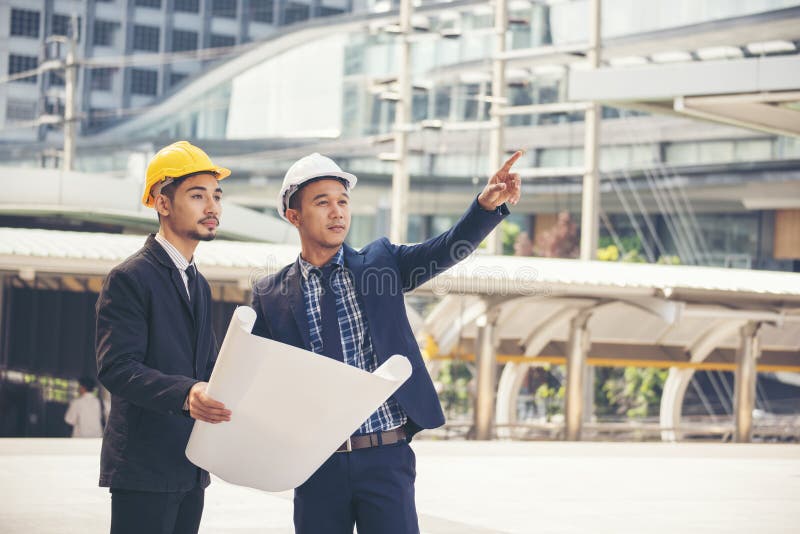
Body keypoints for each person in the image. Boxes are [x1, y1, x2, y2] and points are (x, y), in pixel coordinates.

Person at [251, 150, 522, 534]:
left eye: (342, 202)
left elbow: (446, 248)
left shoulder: (381, 263)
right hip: (315, 464)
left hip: (385, 456)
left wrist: (484, 207)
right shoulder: (271, 294)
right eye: (322, 203)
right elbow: (261, 378)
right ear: (294, 216)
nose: (337, 212)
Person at [96, 141, 233, 534]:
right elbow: (117, 368)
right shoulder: (130, 278)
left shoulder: (199, 284)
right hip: (143, 468)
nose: (212, 207)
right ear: (162, 202)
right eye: (197, 195)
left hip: (190, 466)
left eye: (216, 196)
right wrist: (187, 394)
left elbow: (206, 366)